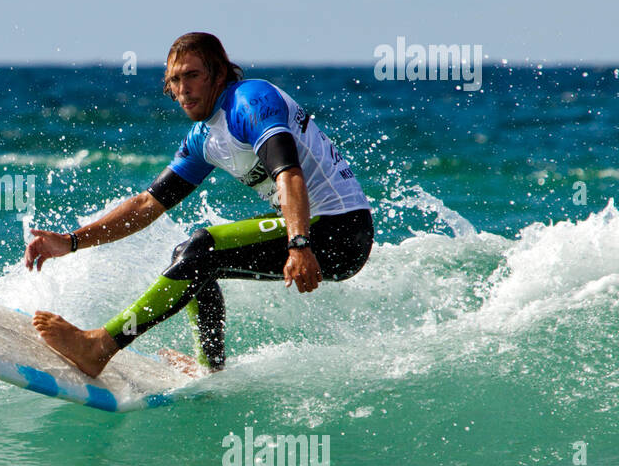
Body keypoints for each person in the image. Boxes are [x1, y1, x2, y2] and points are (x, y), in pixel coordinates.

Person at [23, 32, 373, 378]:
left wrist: (299, 245)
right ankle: (211, 369)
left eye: (193, 75)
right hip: (310, 228)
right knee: (190, 255)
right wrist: (70, 242)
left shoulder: (250, 102)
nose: (183, 88)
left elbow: (289, 174)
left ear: (219, 74)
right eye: (175, 79)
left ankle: (99, 346)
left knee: (202, 246)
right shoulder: (205, 138)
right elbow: (146, 204)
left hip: (340, 230)